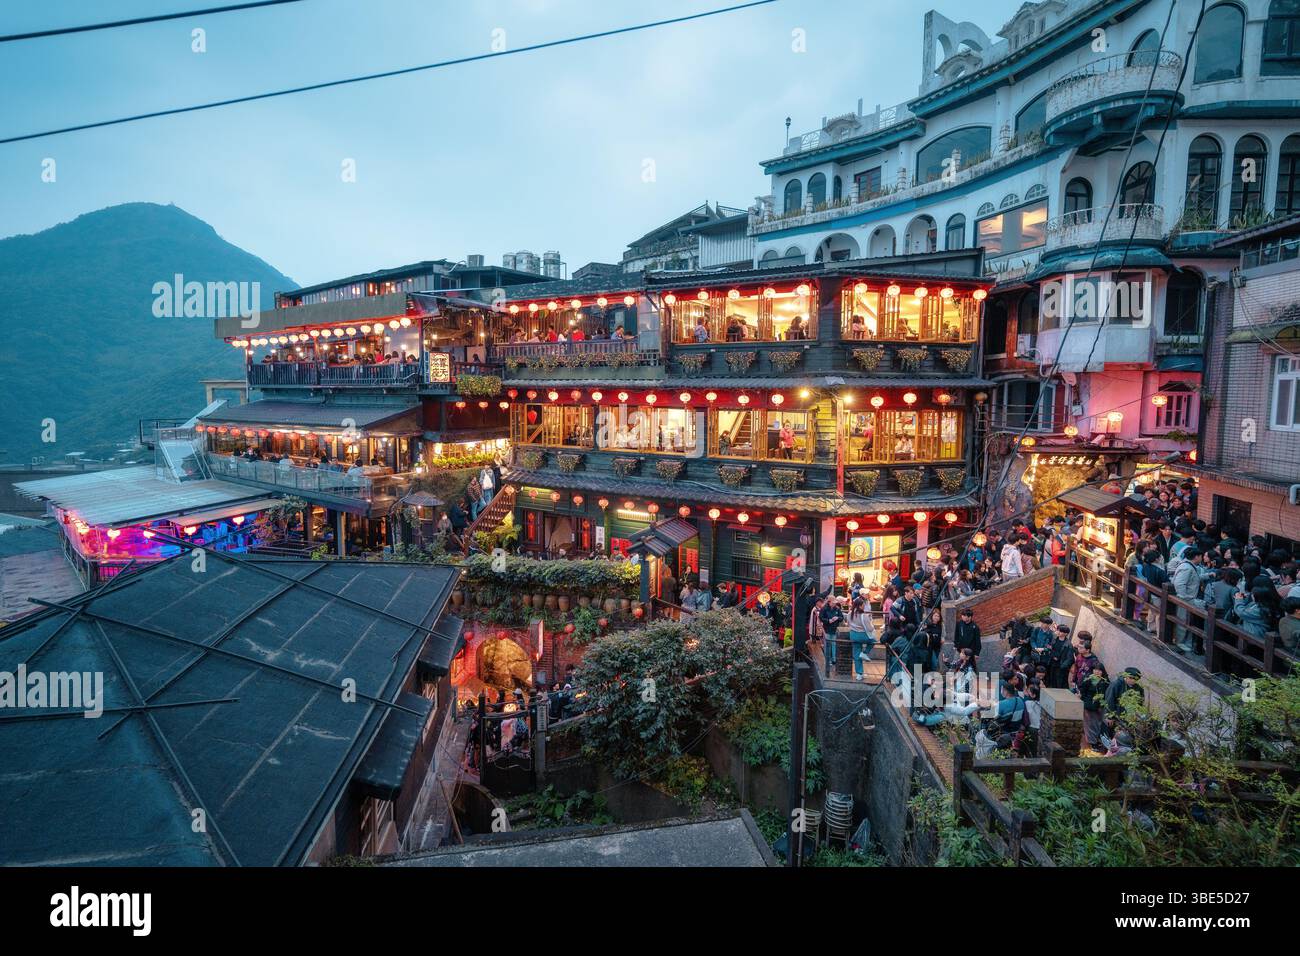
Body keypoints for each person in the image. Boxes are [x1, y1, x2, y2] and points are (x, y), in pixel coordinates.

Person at [847, 596, 876, 681]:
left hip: (853, 635)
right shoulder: (864, 616)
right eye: (863, 605)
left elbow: (848, 624)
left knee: (856, 654)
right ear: (859, 606)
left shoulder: (849, 614)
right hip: (863, 635)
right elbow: (870, 629)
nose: (864, 606)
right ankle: (865, 653)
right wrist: (871, 623)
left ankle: (859, 674)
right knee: (873, 641)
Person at [819, 596, 845, 668]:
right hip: (827, 628)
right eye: (833, 603)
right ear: (829, 602)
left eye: (835, 603)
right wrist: (828, 620)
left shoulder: (837, 609)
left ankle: (834, 659)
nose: (834, 604)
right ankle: (828, 660)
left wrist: (837, 618)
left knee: (834, 644)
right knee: (828, 645)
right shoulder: (824, 609)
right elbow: (821, 618)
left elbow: (841, 617)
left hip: (834, 629)